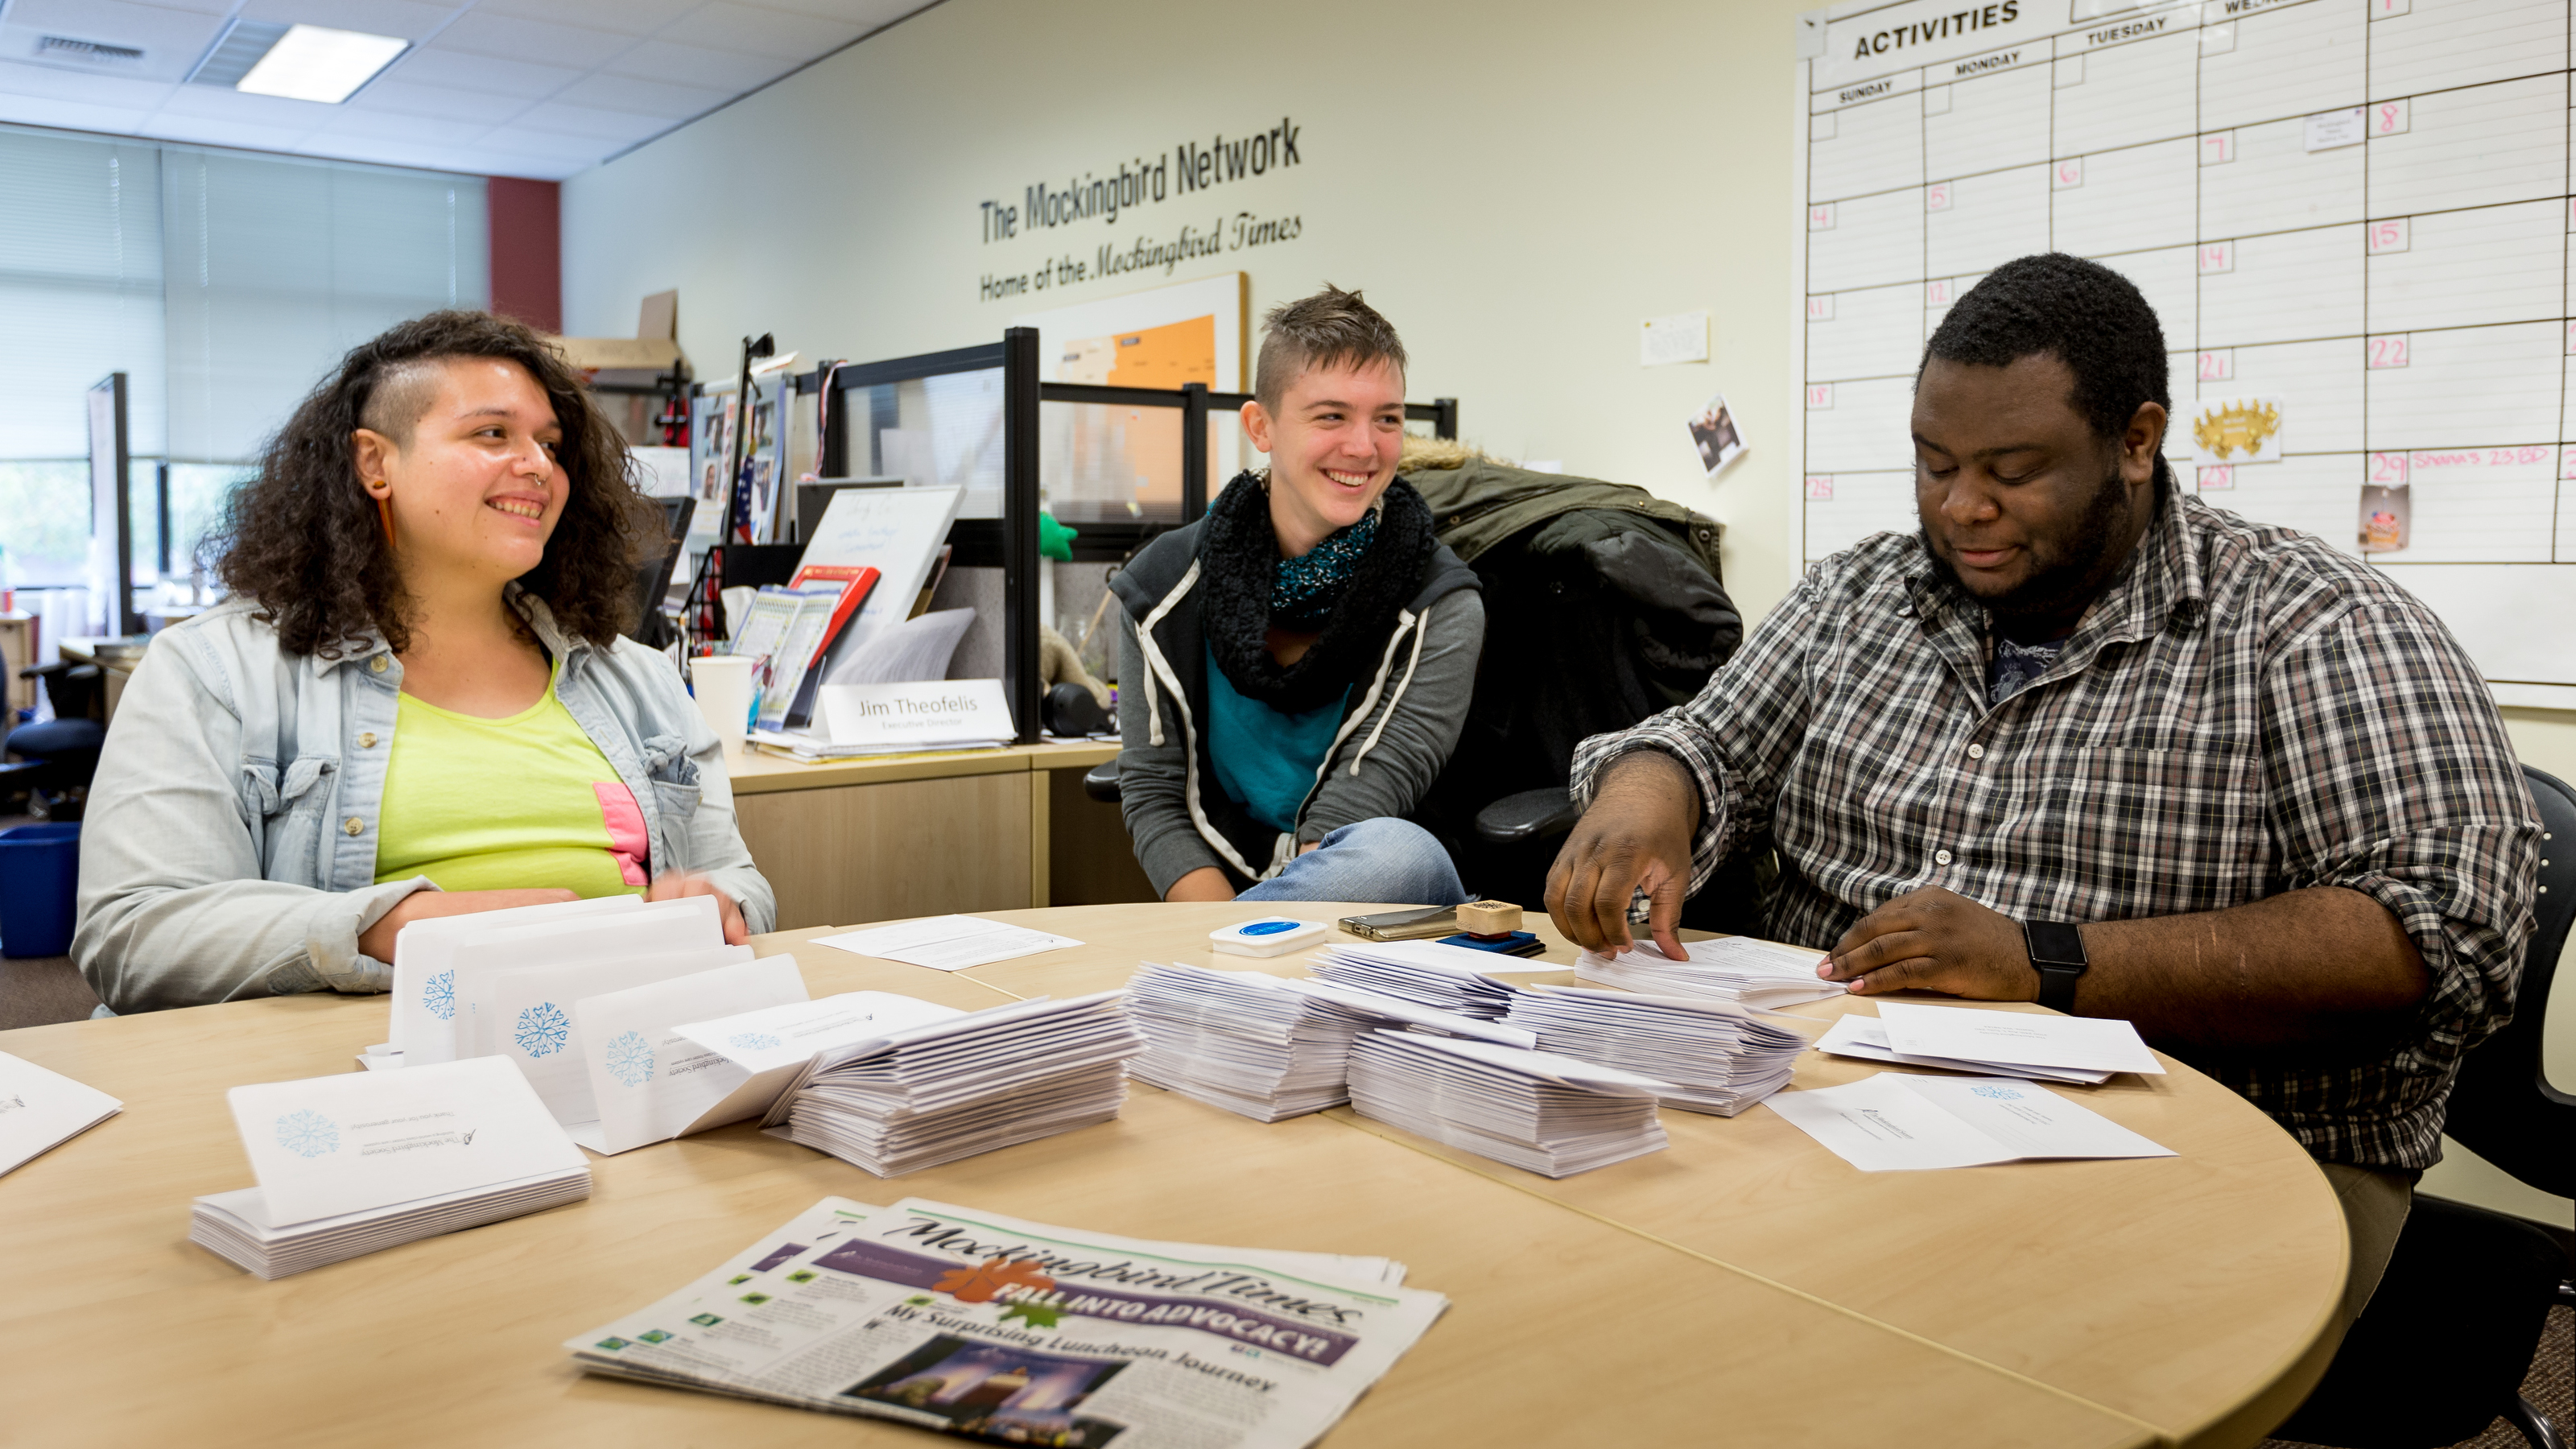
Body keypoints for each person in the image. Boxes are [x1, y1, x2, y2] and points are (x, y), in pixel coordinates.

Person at [1546, 253, 2538, 1331]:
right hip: (1829, 1101)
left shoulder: (2313, 624)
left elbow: (2442, 932)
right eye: (1933, 464)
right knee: (1586, 1269)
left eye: (2012, 471)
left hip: (2203, 1138)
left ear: (2136, 443)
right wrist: (1645, 799)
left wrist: (2043, 959)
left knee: (1904, 1345)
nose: (1962, 507)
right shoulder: (1855, 595)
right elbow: (1701, 740)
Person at [75, 311, 774, 1013]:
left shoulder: (637, 678)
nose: (538, 466)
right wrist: (393, 927)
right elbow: (135, 935)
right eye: (492, 433)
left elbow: (741, 884)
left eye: (550, 444)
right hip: (355, 1060)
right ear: (375, 463)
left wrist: (714, 905)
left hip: (624, 1037)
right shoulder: (215, 670)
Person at [1112, 285, 1483, 905]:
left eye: (1387, 419)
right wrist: (1220, 931)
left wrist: (1241, 939)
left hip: (1374, 900)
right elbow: (1157, 796)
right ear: (1261, 427)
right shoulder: (1160, 587)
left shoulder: (1438, 601)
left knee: (1393, 852)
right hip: (1223, 896)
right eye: (1331, 416)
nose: (1364, 447)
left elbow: (1361, 804)